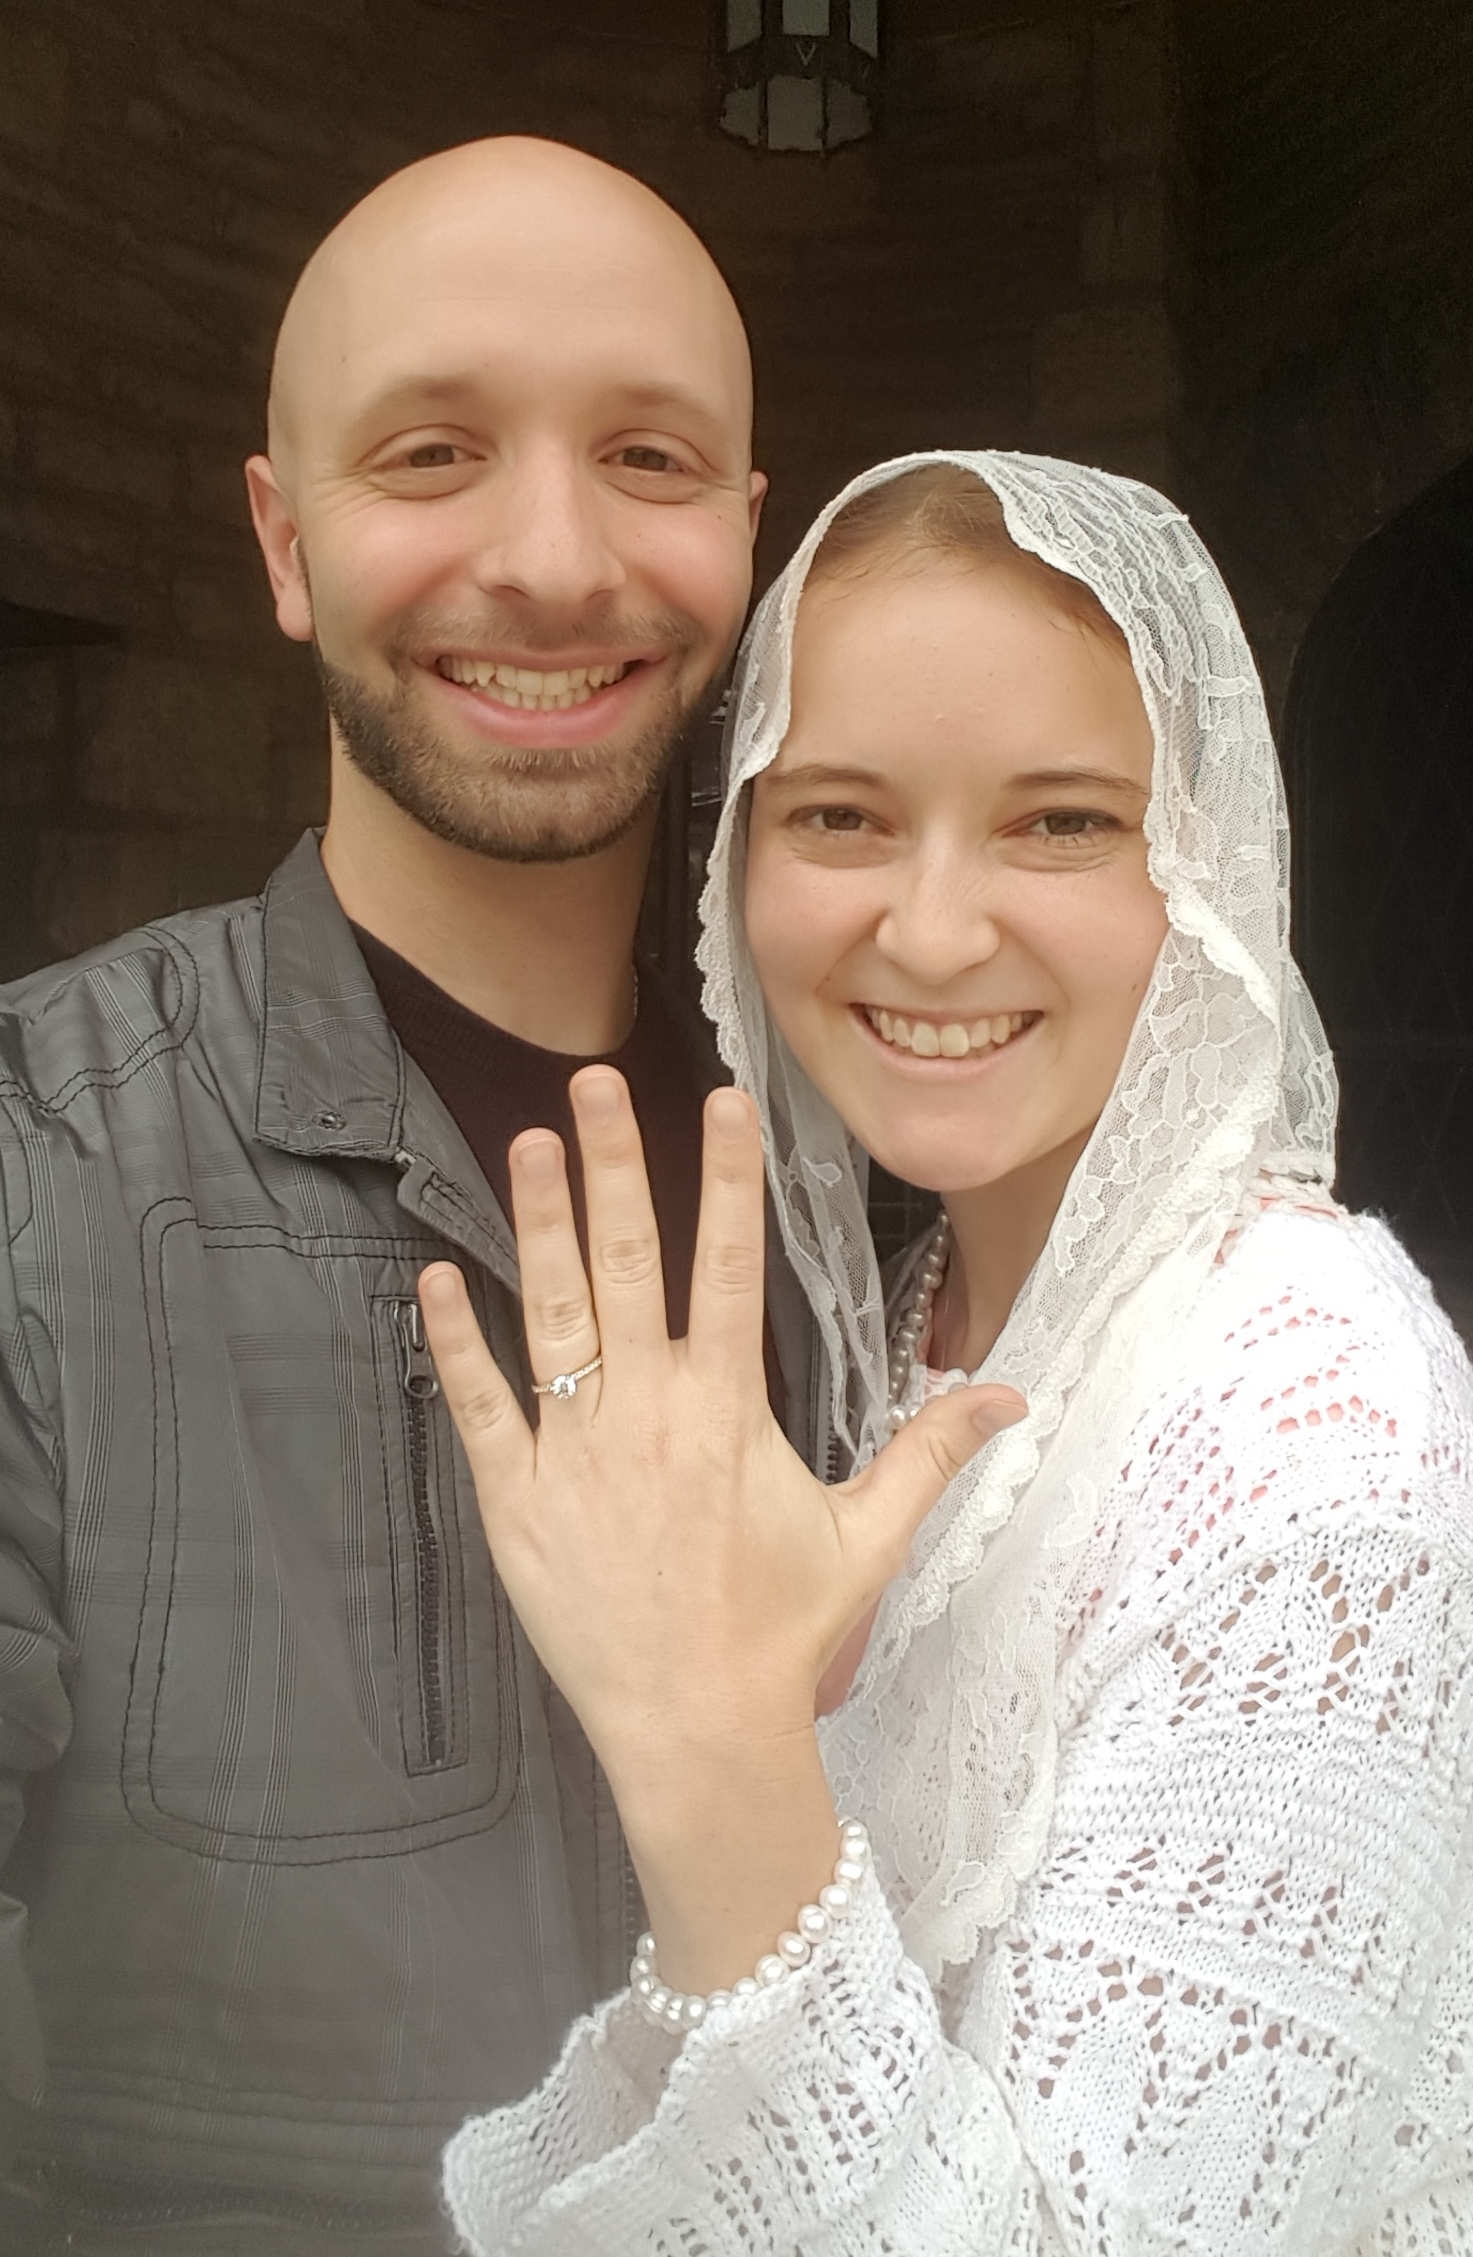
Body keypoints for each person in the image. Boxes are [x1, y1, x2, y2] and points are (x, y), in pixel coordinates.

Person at [419, 453, 1473, 2253]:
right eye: (838, 815)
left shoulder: (1316, 1433)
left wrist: (709, 1750)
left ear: (1207, 867)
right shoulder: (916, 1307)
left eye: (1061, 822)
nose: (929, 930)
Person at [0, 137, 786, 2254]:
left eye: (646, 455)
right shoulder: (38, 1152)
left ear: (742, 530)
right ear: (286, 542)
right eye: (432, 451)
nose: (549, 559)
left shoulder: (871, 1192)